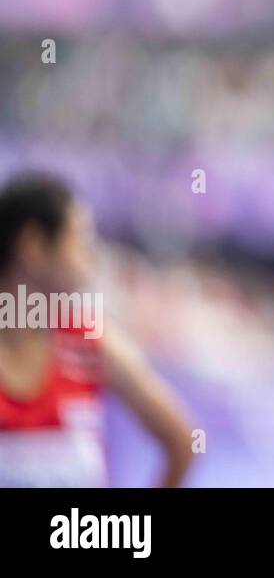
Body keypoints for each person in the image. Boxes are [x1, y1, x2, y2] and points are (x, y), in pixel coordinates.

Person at [0, 170, 196, 487]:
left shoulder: (91, 343)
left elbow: (183, 443)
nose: (91, 261)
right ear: (33, 247)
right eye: (81, 243)